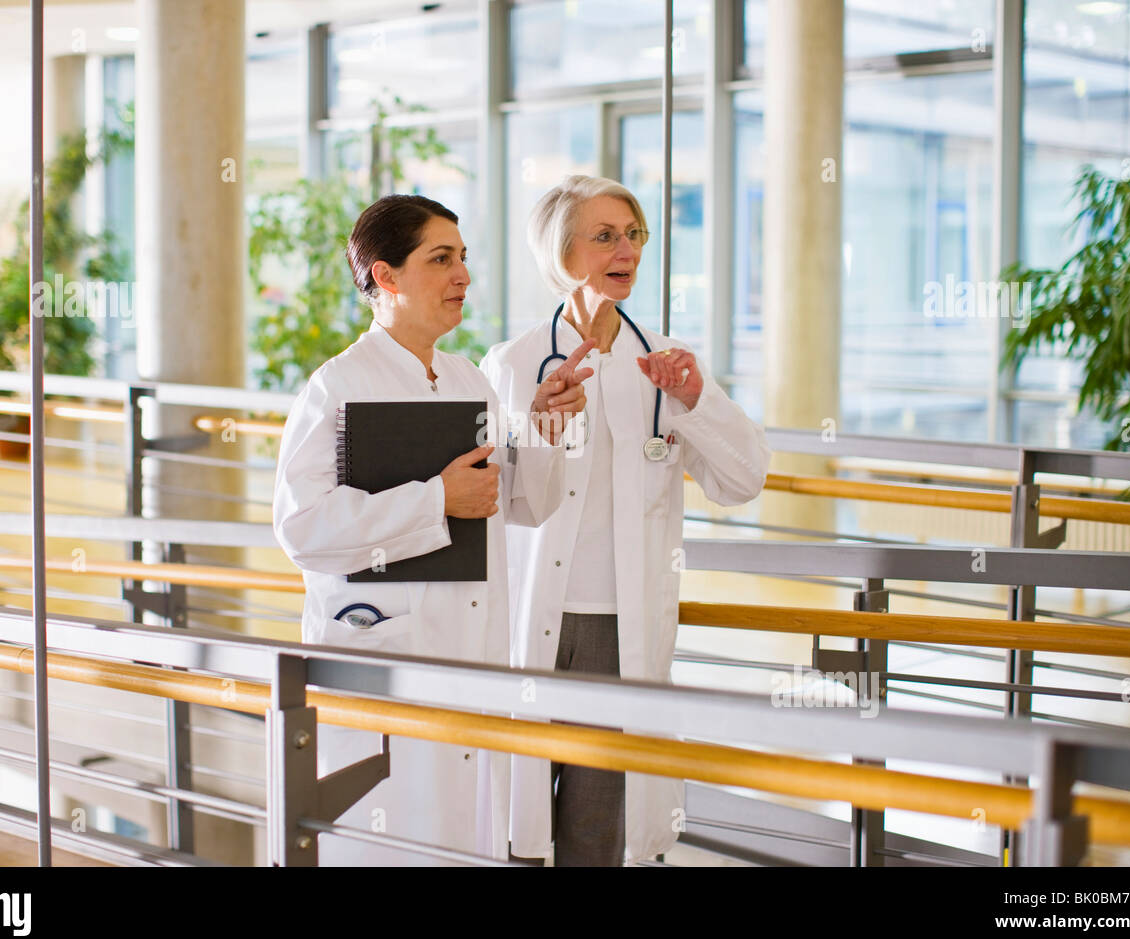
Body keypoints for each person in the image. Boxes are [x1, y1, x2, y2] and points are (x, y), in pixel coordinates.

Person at [272, 194, 594, 865]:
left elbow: (521, 506)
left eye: (464, 258)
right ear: (386, 277)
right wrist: (433, 500)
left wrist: (542, 428)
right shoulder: (338, 387)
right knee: (392, 840)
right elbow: (303, 528)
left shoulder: (469, 381)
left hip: (471, 654)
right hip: (385, 652)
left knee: (464, 837)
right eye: (440, 259)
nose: (463, 276)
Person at [480, 175, 771, 866]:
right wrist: (539, 425)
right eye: (605, 235)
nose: (627, 250)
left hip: (621, 626)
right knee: (514, 820)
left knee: (596, 832)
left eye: (635, 235)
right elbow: (494, 498)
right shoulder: (513, 363)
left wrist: (699, 403)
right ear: (562, 251)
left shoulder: (666, 365)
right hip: (527, 620)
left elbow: (742, 481)